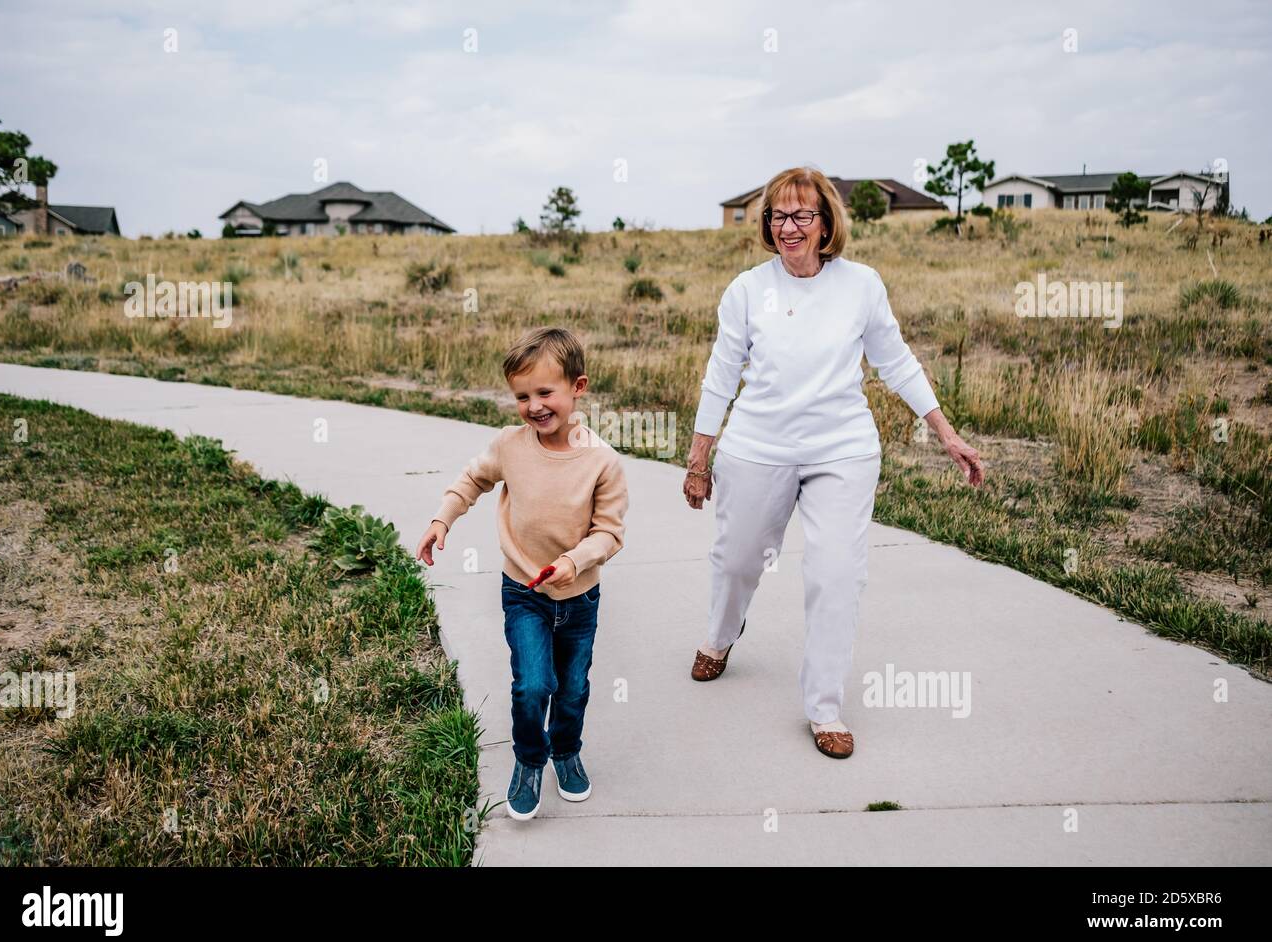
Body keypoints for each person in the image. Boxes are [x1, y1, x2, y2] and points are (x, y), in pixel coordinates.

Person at [683, 166, 984, 759]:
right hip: (757, 446)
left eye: (801, 215)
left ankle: (824, 707)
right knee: (738, 558)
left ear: (826, 223)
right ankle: (721, 636)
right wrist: (700, 455)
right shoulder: (747, 290)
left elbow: (895, 362)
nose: (788, 226)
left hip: (841, 449)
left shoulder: (861, 285)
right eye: (777, 215)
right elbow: (722, 372)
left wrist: (946, 433)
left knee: (836, 574)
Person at [416, 327, 628, 819]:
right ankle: (530, 759)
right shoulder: (511, 447)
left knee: (572, 687)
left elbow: (610, 534)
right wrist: (441, 518)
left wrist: (574, 561)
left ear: (578, 387)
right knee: (533, 685)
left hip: (579, 598)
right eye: (522, 396)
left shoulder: (602, 461)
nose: (534, 406)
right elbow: (472, 479)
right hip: (524, 593)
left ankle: (566, 750)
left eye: (545, 393)